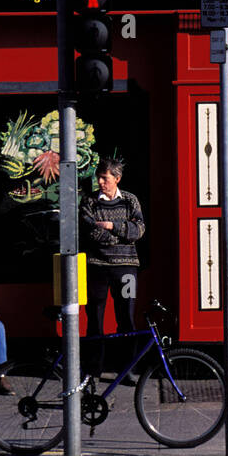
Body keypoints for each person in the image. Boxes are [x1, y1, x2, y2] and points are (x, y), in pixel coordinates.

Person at [79, 157, 145, 381]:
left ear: (117, 179)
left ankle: (126, 370)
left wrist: (111, 226)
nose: (100, 182)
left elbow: (139, 230)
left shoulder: (130, 200)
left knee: (126, 317)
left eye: (105, 178)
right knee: (94, 318)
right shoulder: (89, 201)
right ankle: (93, 370)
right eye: (99, 177)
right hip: (96, 267)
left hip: (126, 269)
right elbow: (91, 232)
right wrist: (120, 235)